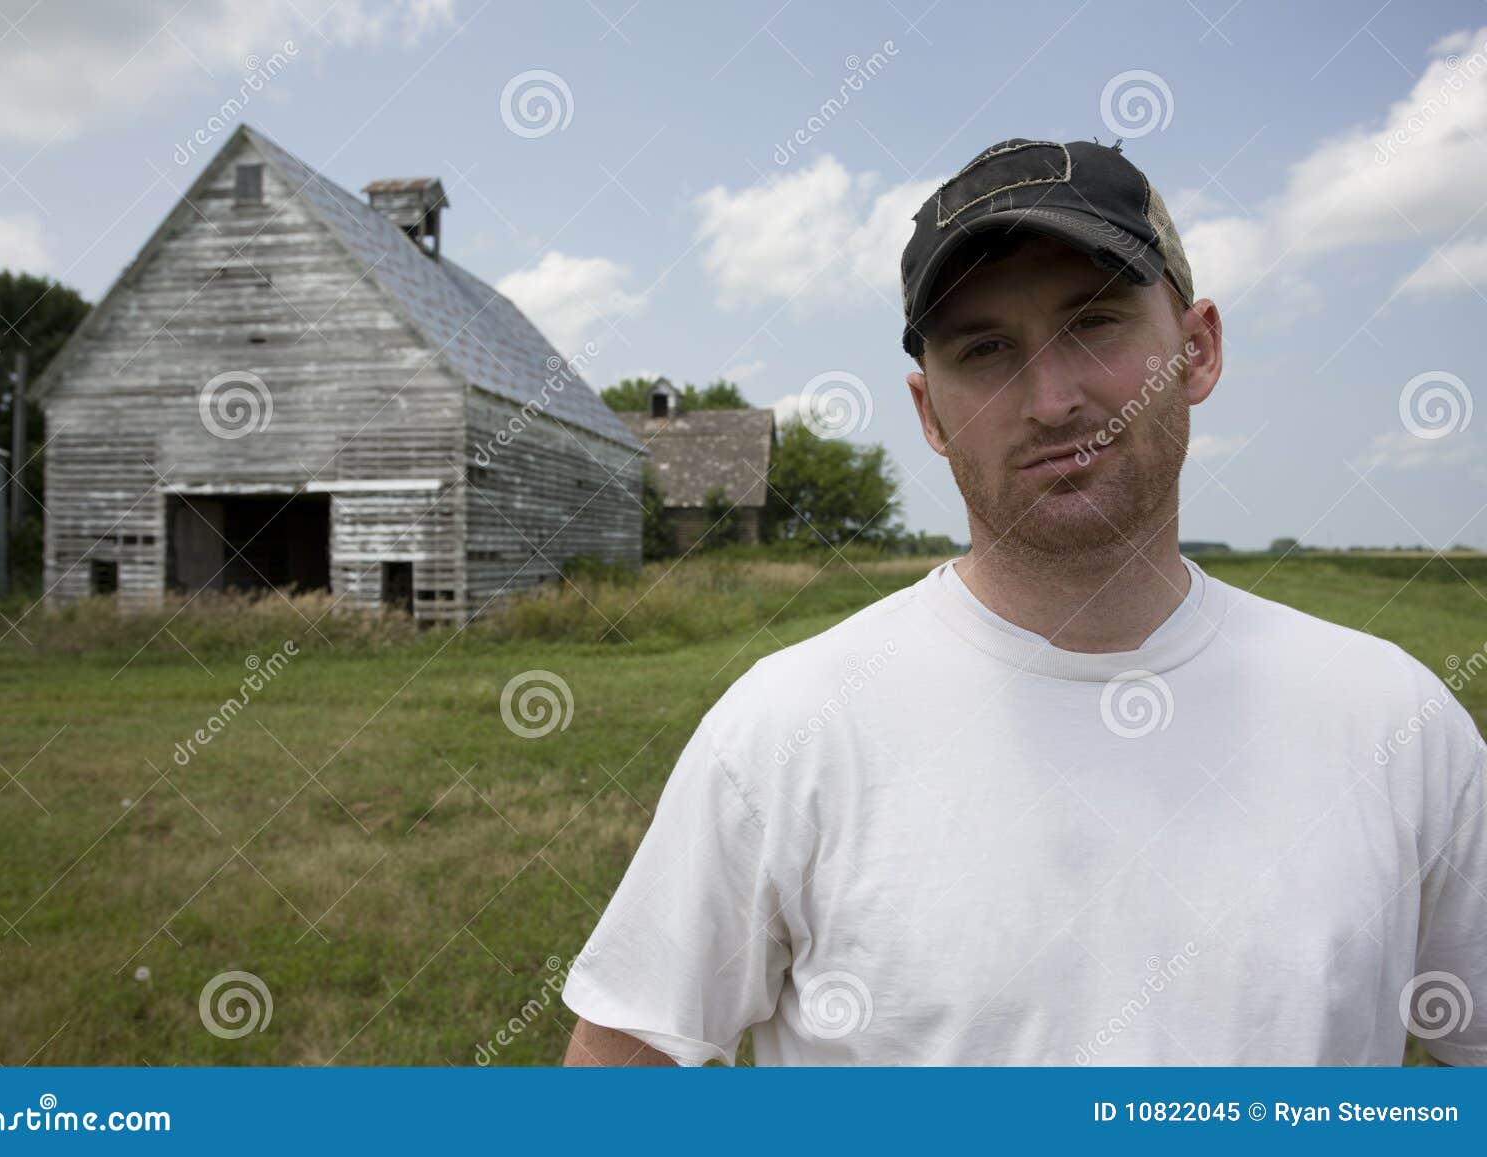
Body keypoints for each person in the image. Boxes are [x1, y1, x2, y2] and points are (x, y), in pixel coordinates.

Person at [560, 137, 1487, 1066]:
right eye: (987, 348)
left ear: (1197, 349)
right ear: (929, 413)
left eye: (1095, 322)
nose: (1050, 398)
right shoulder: (787, 730)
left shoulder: (1396, 724)